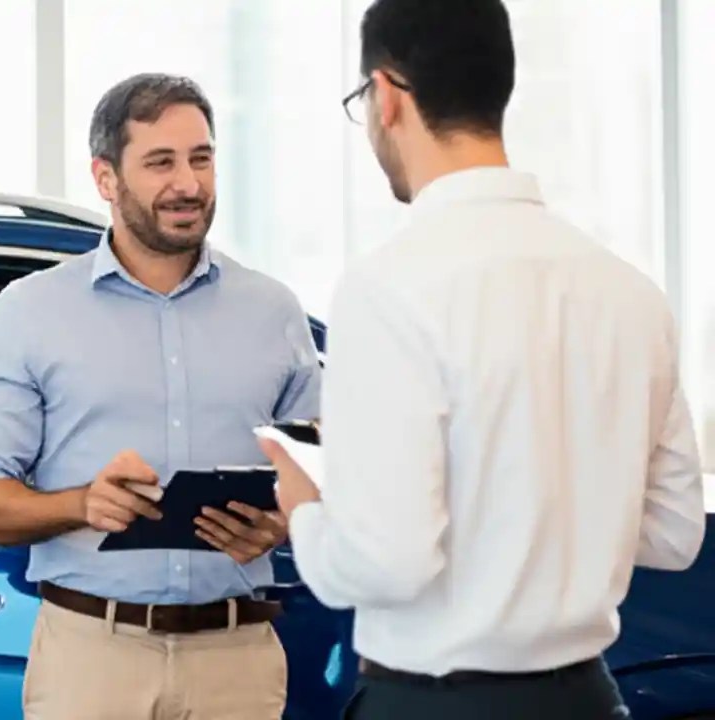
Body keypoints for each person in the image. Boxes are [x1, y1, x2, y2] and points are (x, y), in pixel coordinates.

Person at [259, 1, 708, 718]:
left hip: (434, 704)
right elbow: (676, 533)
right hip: (590, 699)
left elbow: (388, 562)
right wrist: (545, 507)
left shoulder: (390, 287)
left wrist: (306, 508)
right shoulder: (629, 293)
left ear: (387, 96)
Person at [0, 73, 322, 719]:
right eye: (161, 162)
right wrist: (81, 504)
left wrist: (287, 521)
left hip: (238, 659)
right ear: (106, 178)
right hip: (93, 659)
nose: (189, 184)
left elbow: (325, 472)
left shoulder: (274, 311)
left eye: (201, 158)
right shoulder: (31, 311)